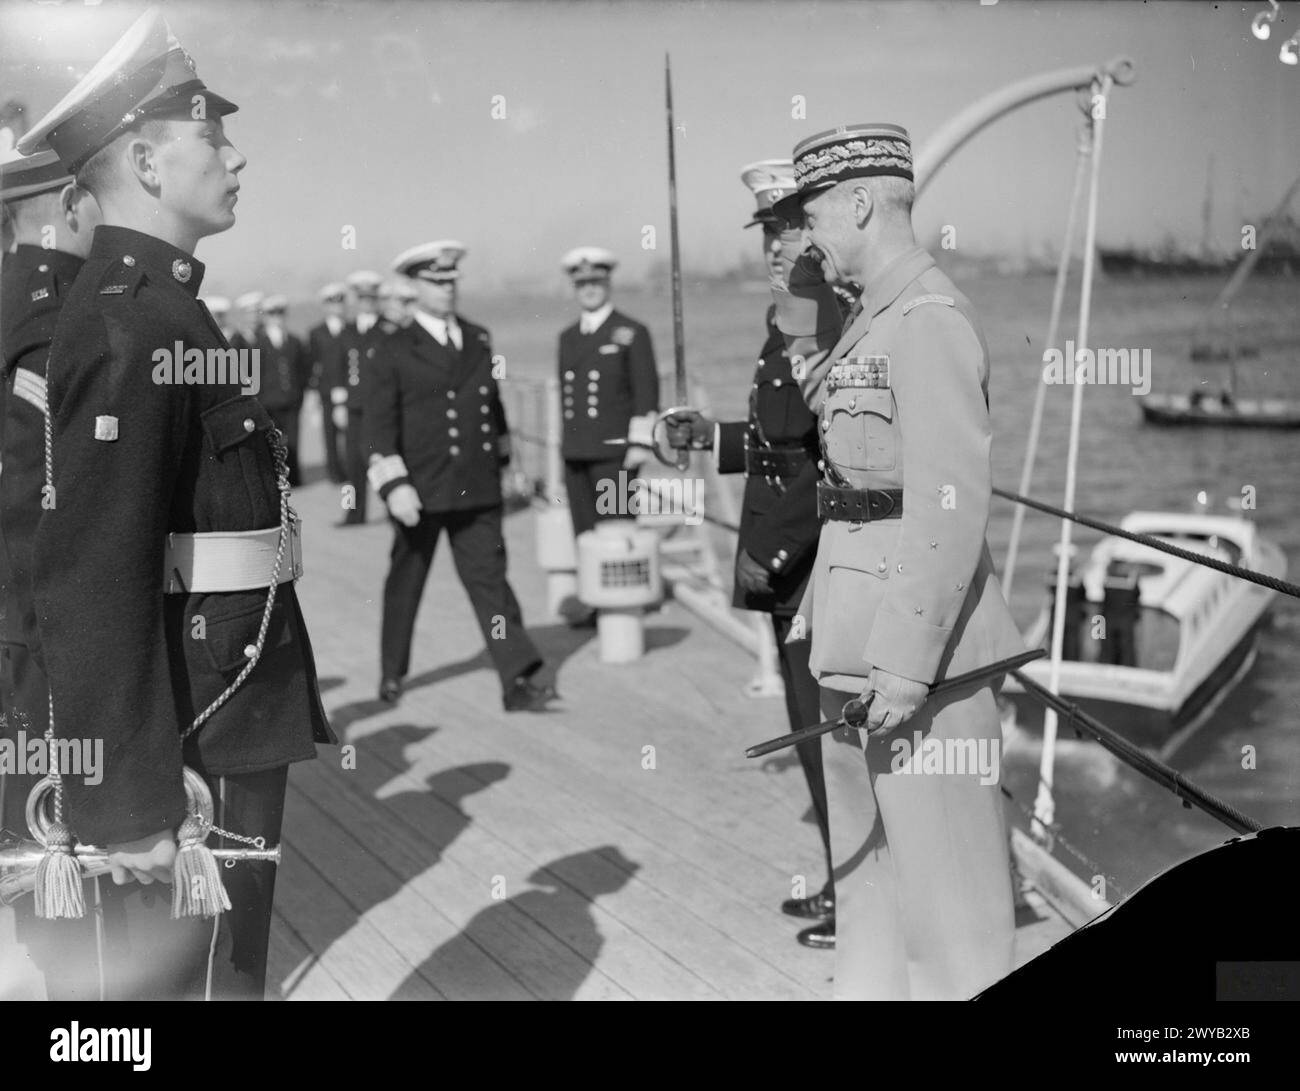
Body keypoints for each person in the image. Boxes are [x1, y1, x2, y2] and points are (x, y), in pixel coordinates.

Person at [15, 8, 334, 999]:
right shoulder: (128, 322)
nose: (236, 158)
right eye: (212, 137)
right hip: (193, 724)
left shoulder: (169, 306)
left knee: (224, 985)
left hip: (230, 699)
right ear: (149, 164)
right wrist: (125, 800)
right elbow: (93, 570)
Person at [767, 123, 1025, 999]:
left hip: (920, 671)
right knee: (871, 892)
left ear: (861, 202)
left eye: (814, 217)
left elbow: (948, 510)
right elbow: (854, 493)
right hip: (852, 651)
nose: (809, 239)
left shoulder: (928, 320)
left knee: (952, 919)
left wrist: (906, 670)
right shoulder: (869, 321)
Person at [665, 159, 837, 949]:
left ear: (821, 228)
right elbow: (779, 441)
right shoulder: (790, 315)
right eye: (768, 230)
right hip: (782, 556)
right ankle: (846, 880)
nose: (775, 244)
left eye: (789, 227)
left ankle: (859, 893)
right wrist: (707, 435)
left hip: (805, 563)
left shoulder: (828, 316)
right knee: (810, 729)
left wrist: (786, 553)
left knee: (826, 731)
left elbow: (831, 456)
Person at [365, 241, 556, 713]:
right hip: (419, 490)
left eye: (452, 281)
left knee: (491, 581)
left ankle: (516, 678)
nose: (446, 290)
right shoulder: (391, 348)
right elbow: (376, 426)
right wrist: (393, 485)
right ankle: (392, 672)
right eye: (435, 282)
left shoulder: (478, 337)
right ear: (414, 286)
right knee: (406, 582)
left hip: (476, 486)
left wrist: (509, 467)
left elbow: (491, 409)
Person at [0, 146, 102, 998]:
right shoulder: (51, 314)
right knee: (48, 799)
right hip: (38, 608)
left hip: (17, 606)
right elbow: (46, 488)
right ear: (69, 204)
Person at [556, 246, 659, 544]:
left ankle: (618, 593)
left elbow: (646, 389)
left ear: (607, 284)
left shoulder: (631, 331)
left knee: (617, 536)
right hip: (576, 454)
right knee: (584, 539)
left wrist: (641, 441)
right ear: (575, 289)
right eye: (582, 284)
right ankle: (590, 593)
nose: (589, 290)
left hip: (615, 456)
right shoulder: (568, 337)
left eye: (595, 283)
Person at [328, 268, 382, 526]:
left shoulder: (387, 328)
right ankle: (355, 513)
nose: (367, 303)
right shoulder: (347, 331)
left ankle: (396, 512)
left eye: (371, 298)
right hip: (355, 405)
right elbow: (338, 366)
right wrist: (339, 402)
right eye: (362, 298)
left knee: (385, 455)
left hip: (382, 405)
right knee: (353, 461)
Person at [256, 292, 310, 486]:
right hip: (268, 401)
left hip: (291, 399)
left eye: (280, 313)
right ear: (266, 316)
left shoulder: (294, 341)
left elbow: (304, 369)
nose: (276, 318)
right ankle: (277, 477)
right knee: (272, 441)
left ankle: (294, 477)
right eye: (272, 313)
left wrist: (300, 391)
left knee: (294, 439)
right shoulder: (258, 343)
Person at [306, 281, 350, 484]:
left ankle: (353, 470)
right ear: (326, 306)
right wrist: (313, 394)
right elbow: (314, 364)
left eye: (340, 303)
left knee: (352, 433)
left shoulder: (352, 328)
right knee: (329, 434)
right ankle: (335, 473)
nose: (337, 308)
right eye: (332, 304)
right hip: (327, 390)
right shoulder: (317, 332)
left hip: (350, 389)